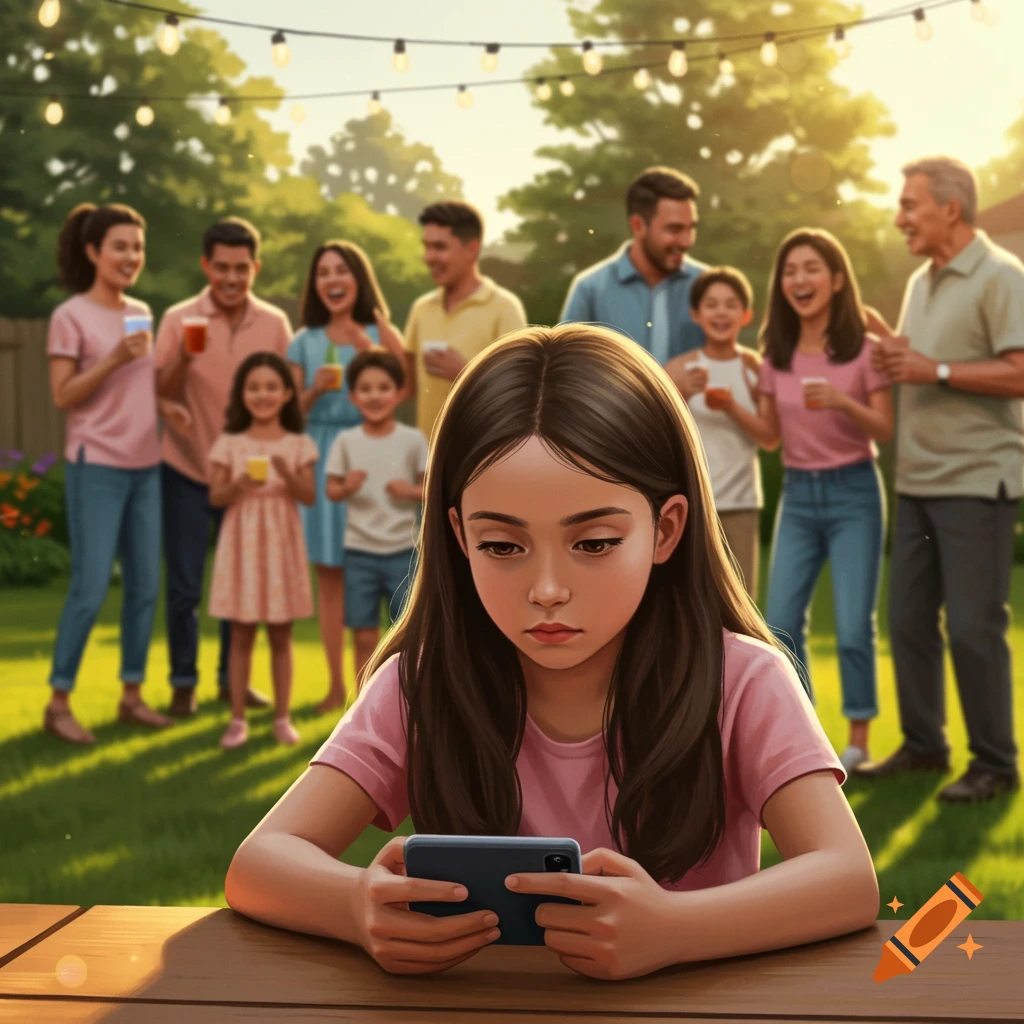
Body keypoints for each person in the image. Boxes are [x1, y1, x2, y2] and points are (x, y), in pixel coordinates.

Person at [224, 324, 878, 982]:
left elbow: (848, 878)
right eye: (503, 547)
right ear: (458, 537)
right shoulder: (421, 684)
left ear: (666, 528)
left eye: (593, 543)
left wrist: (675, 931)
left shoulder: (743, 681)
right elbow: (260, 862)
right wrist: (355, 907)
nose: (546, 591)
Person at [856, 157, 1024, 801]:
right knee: (906, 621)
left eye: (910, 206)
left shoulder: (1001, 276)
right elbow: (920, 362)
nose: (900, 218)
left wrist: (938, 371)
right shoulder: (922, 282)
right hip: (917, 482)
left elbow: (1017, 370)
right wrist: (893, 350)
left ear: (949, 210)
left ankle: (995, 763)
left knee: (975, 626)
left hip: (977, 482)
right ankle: (925, 746)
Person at [43, 203, 190, 744]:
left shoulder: (141, 312)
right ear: (93, 252)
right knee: (88, 587)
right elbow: (64, 395)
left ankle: (132, 696)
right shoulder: (71, 316)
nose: (131, 257)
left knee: (145, 589)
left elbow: (139, 386)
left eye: (137, 247)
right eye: (120, 247)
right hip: (96, 466)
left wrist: (166, 404)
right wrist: (112, 358)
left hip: (144, 465)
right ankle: (59, 702)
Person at [749, 229, 893, 775]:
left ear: (836, 280)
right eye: (790, 271)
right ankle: (807, 738)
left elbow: (883, 425)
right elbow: (768, 436)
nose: (800, 280)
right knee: (782, 622)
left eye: (811, 269)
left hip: (855, 489)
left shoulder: (864, 350)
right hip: (799, 494)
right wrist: (729, 406)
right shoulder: (776, 355)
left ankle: (858, 739)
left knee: (855, 624)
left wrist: (841, 401)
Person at [155, 218, 292, 717]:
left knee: (240, 586)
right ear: (206, 265)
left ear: (255, 268)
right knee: (187, 585)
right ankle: (183, 682)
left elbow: (284, 395)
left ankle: (227, 681)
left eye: (241, 268)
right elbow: (161, 393)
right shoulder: (179, 318)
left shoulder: (274, 324)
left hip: (247, 479)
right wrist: (188, 358)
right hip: (188, 470)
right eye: (221, 268)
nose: (231, 278)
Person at [288, 241, 407, 713]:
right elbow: (288, 413)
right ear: (316, 285)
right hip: (322, 454)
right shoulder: (304, 341)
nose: (332, 280)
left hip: (375, 454)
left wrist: (368, 348)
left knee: (382, 569)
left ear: (358, 278)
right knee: (332, 578)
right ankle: (336, 687)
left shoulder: (381, 331)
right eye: (323, 273)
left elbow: (407, 389)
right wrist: (314, 391)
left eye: (341, 271)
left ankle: (384, 690)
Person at [208, 352, 318, 750]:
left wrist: (286, 472)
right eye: (254, 387)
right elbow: (216, 497)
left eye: (272, 387)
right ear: (241, 395)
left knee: (281, 634)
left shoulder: (299, 443)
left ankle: (281, 717)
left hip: (281, 546)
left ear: (288, 394)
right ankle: (237, 720)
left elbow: (308, 495)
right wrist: (237, 484)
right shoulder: (230, 443)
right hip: (241, 545)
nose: (263, 394)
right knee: (239, 633)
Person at [664, 267, 769, 598]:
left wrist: (732, 407)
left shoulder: (755, 368)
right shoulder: (678, 369)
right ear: (696, 314)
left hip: (741, 504)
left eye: (731, 304)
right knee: (688, 598)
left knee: (741, 600)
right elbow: (658, 434)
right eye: (711, 304)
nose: (721, 312)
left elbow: (770, 437)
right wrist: (679, 392)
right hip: (692, 503)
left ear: (746, 315)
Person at [325, 349, 427, 687]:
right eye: (365, 389)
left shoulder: (412, 440)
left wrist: (410, 491)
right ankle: (363, 703)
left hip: (403, 552)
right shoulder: (346, 441)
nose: (375, 396)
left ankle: (408, 697)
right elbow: (331, 489)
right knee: (364, 635)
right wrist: (346, 486)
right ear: (353, 397)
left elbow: (430, 488)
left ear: (399, 393)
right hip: (359, 552)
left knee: (406, 634)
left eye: (383, 387)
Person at [401, 201, 527, 440]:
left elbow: (520, 396)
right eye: (426, 247)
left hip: (478, 455)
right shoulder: (421, 309)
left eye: (439, 247)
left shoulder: (504, 309)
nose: (428, 257)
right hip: (427, 460)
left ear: (472, 249)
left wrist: (464, 372)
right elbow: (406, 387)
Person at [560, 167, 708, 364]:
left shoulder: (707, 286)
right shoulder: (591, 290)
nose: (686, 241)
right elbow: (564, 370)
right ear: (638, 225)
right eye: (675, 229)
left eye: (691, 228)